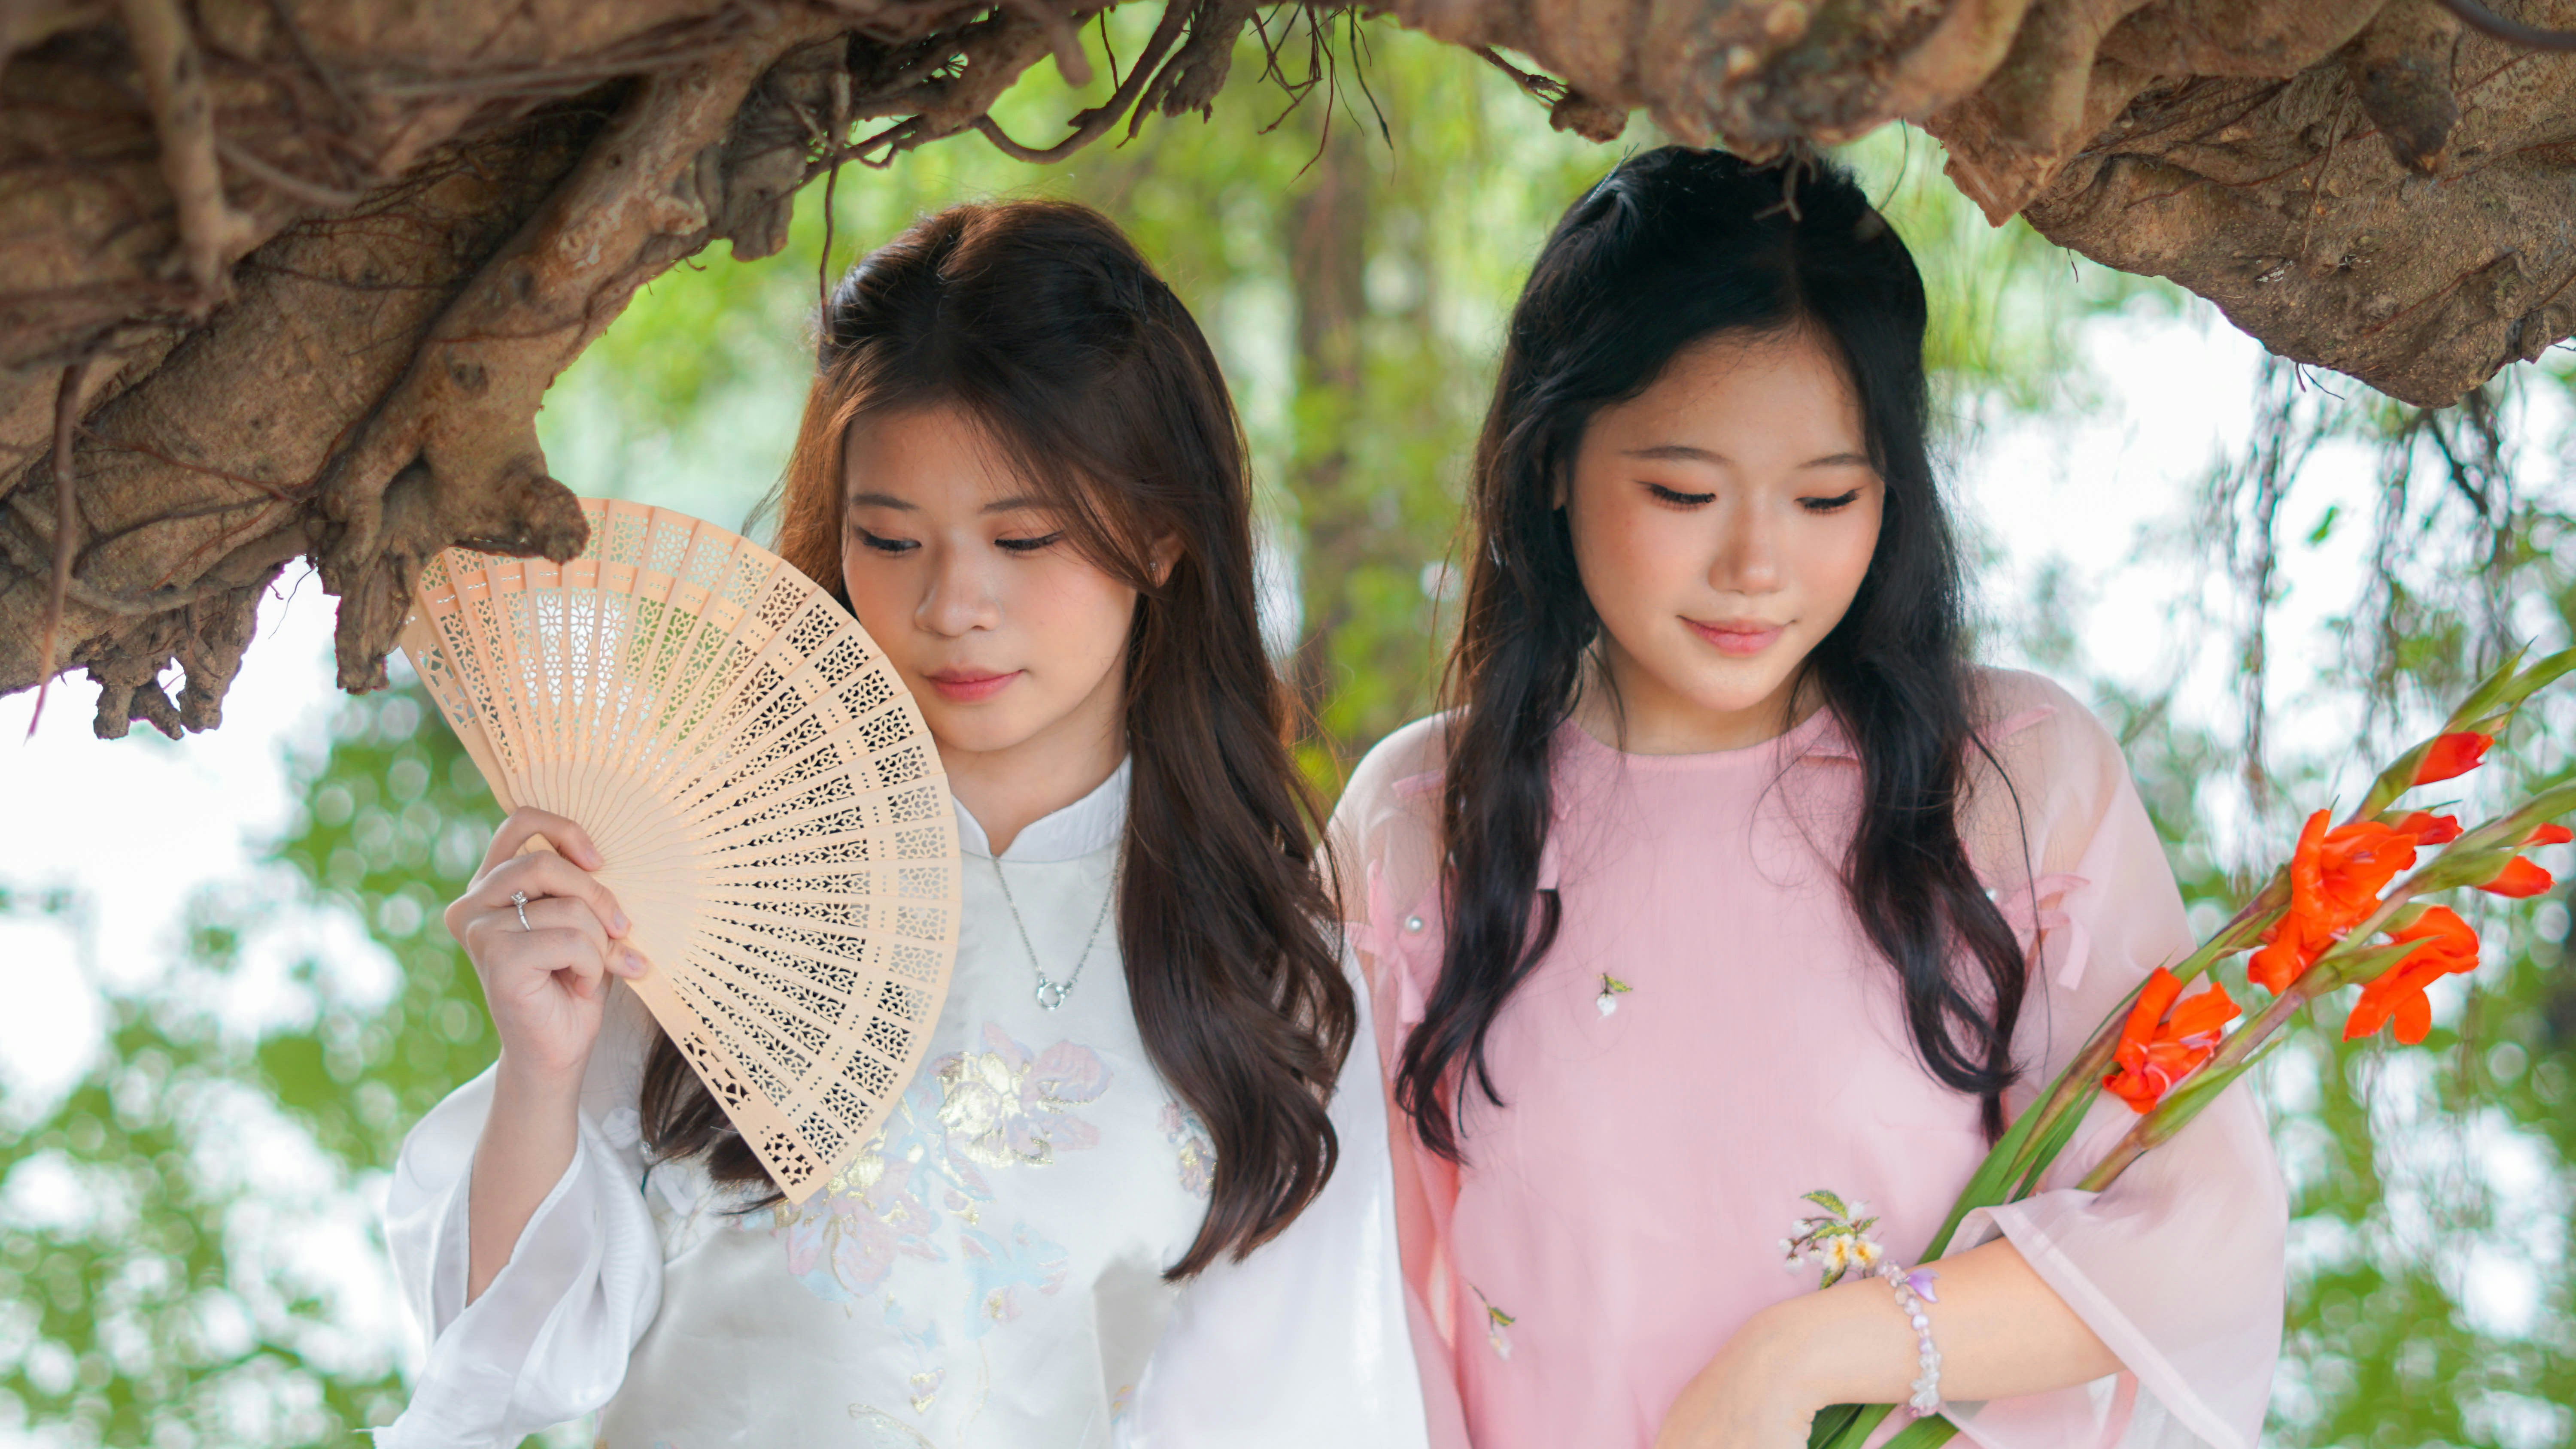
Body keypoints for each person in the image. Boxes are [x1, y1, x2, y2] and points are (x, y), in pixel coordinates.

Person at [380, 200, 1427, 1449]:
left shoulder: (1266, 963)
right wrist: (541, 1071)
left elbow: (1298, 1407)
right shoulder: (708, 866)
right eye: (891, 539)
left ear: (1159, 536)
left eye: (1024, 537)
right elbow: (511, 1370)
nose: (953, 604)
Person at [1331, 148, 2285, 1449]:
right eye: (1682, 492)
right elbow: (1358, 1307)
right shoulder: (1419, 819)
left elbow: (2194, 1233)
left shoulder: (2010, 778)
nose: (1756, 567)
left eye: (1828, 496)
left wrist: (1809, 1358)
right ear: (1551, 460)